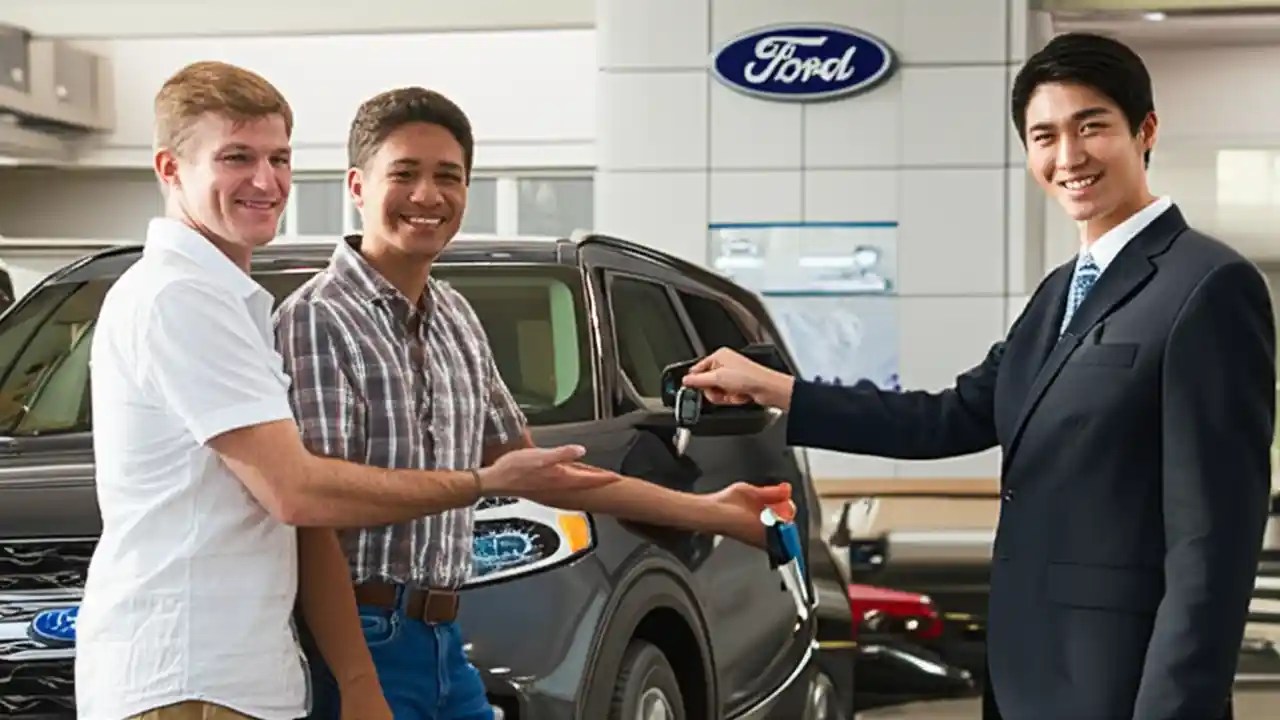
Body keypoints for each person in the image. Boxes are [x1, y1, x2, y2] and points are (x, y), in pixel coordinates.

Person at [682, 32, 1275, 720]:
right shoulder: (1059, 293)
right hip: (1031, 672)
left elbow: (1214, 541)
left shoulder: (1207, 285)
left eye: (1092, 127)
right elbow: (952, 416)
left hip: (1124, 680)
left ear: (1145, 131)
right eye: (1043, 135)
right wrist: (782, 393)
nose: (1068, 157)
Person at [73, 61, 651, 720]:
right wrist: (478, 483)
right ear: (169, 170)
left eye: (279, 159)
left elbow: (535, 468)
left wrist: (715, 511)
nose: (265, 181)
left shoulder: (226, 300)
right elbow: (301, 493)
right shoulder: (187, 298)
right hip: (191, 677)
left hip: (246, 670)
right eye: (236, 158)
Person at [271, 86, 793, 720]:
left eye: (449, 176)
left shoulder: (454, 318)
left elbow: (546, 473)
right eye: (404, 174)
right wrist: (356, 684)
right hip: (359, 641)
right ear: (356, 186)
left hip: (444, 640)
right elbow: (314, 515)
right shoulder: (317, 320)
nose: (428, 195)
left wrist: (710, 509)